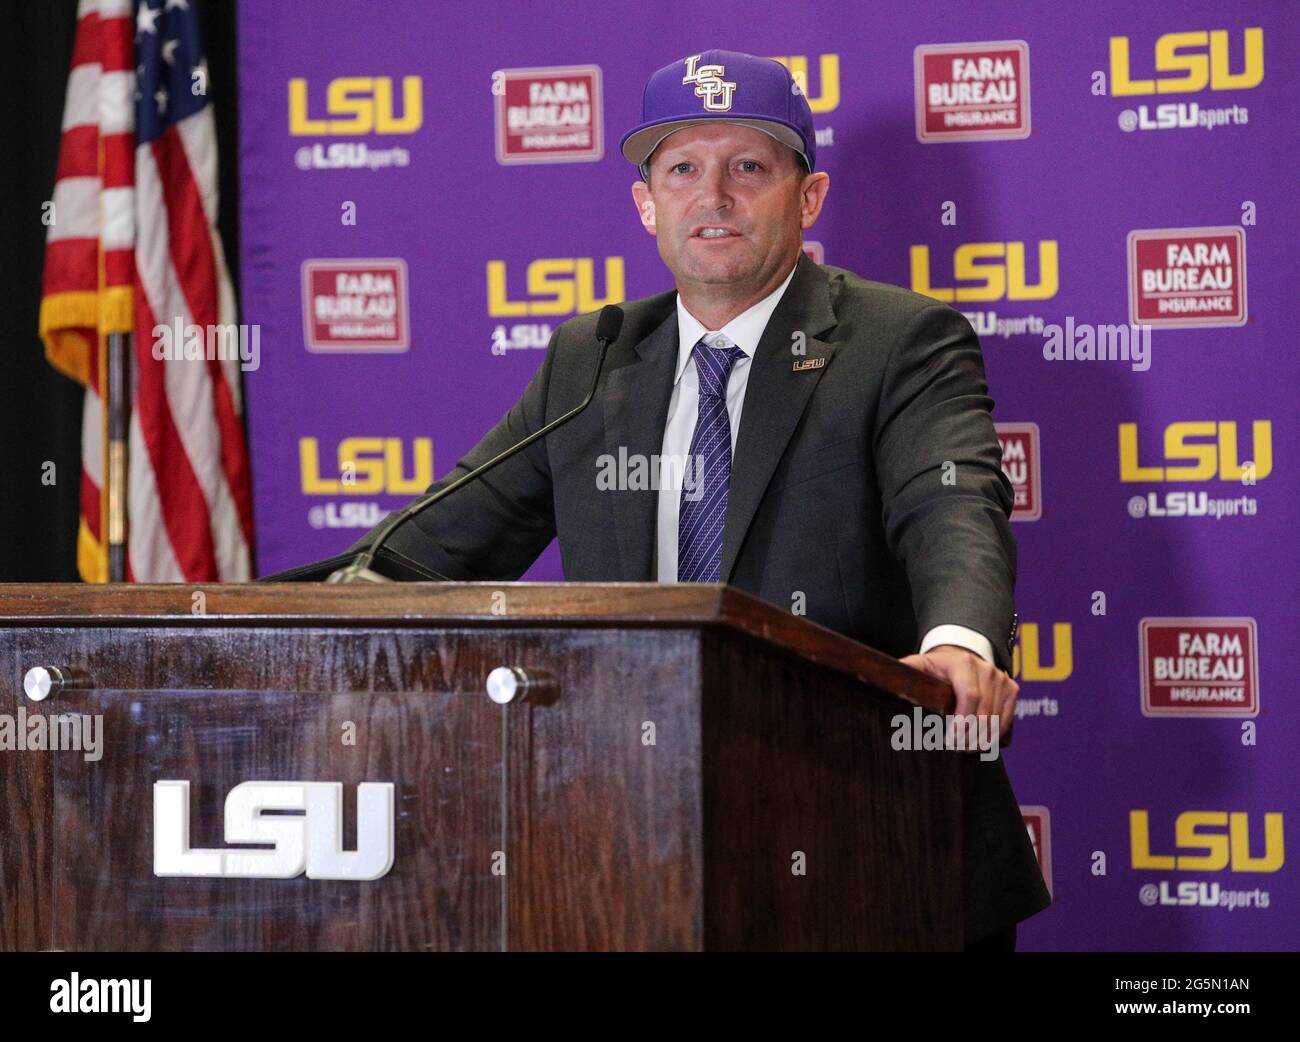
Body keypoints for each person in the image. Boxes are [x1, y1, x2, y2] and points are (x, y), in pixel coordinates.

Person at [343, 49, 1050, 949]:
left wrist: (958, 643)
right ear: (647, 204)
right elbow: (430, 549)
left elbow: (950, 505)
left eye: (748, 167)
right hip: (641, 849)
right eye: (682, 169)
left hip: (870, 836)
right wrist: (299, 614)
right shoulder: (593, 358)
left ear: (808, 197)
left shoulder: (899, 341)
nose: (712, 196)